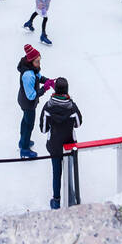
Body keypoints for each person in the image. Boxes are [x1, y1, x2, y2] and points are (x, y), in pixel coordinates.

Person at [40, 78, 82, 209]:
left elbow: (43, 129)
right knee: (69, 171)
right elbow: (78, 123)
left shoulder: (48, 107)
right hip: (69, 145)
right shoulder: (72, 107)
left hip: (54, 146)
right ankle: (70, 199)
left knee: (56, 172)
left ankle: (56, 200)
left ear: (55, 90)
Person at [17, 43, 53, 160]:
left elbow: (39, 76)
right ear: (31, 61)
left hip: (24, 100)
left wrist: (47, 80)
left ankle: (23, 142)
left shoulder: (32, 67)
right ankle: (25, 149)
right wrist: (44, 88)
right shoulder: (28, 75)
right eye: (37, 61)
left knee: (25, 121)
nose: (39, 64)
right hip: (28, 104)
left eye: (39, 61)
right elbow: (31, 96)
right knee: (29, 125)